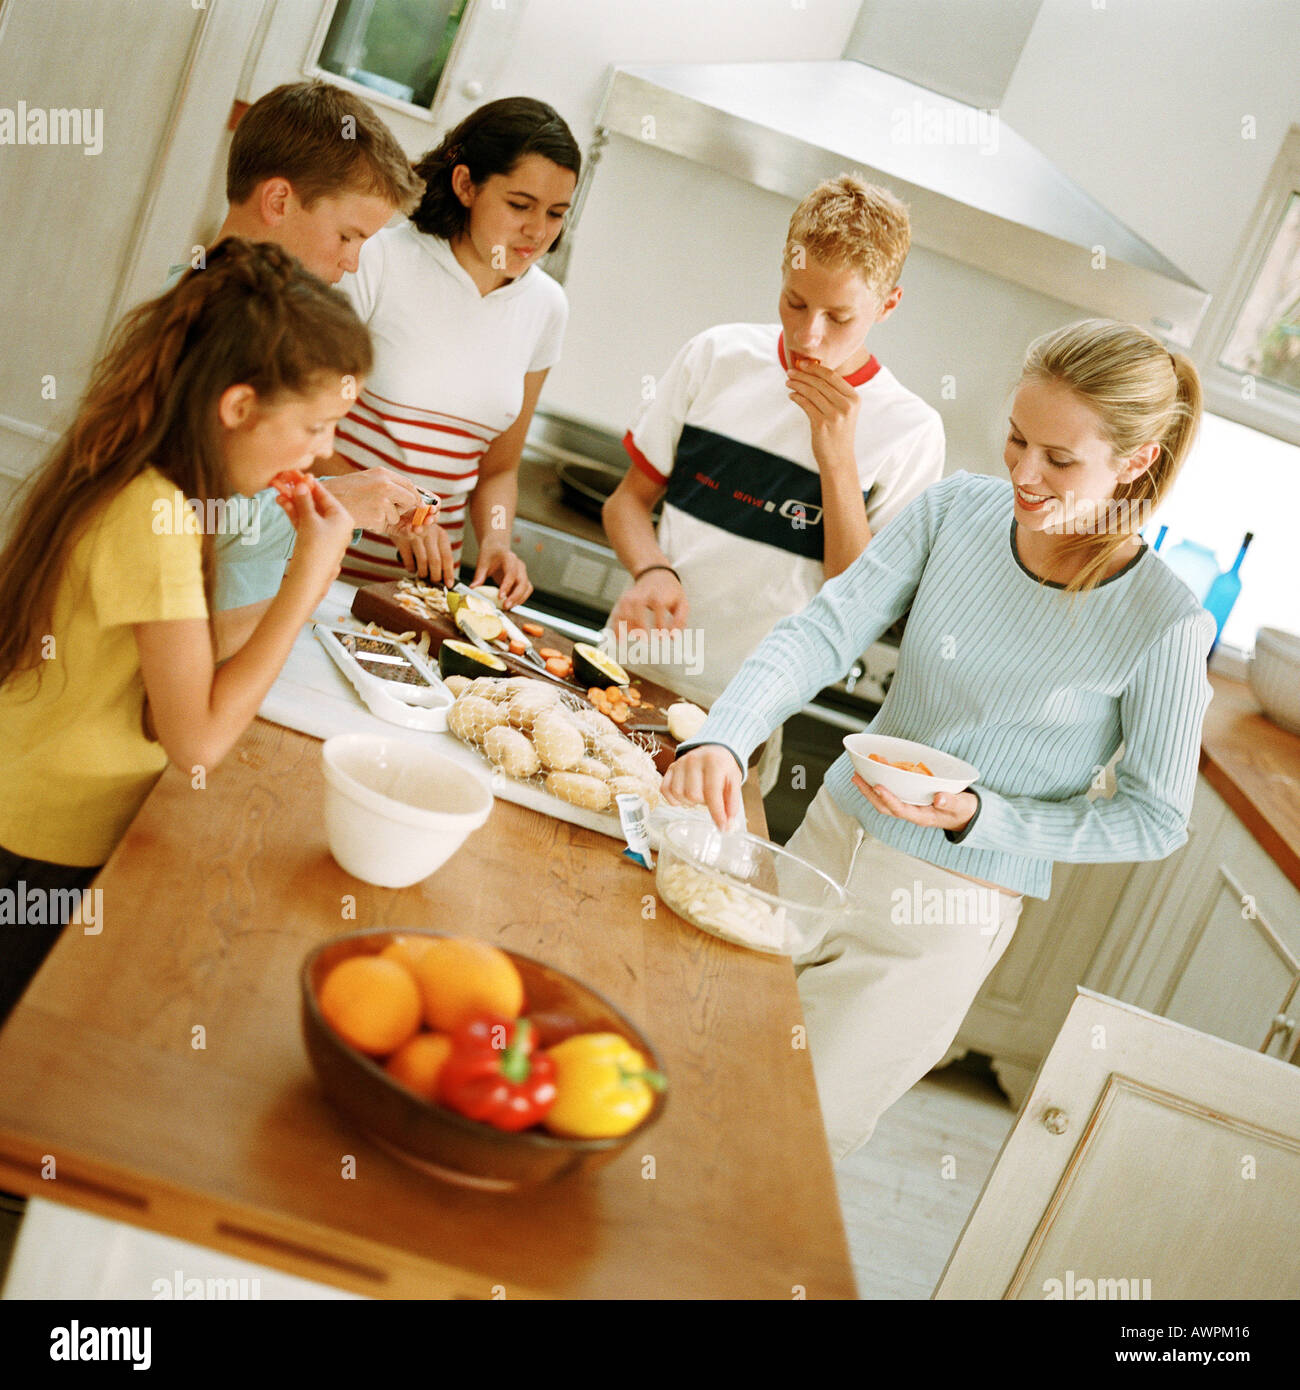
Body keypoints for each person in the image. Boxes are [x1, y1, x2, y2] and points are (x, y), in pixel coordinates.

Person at [662, 318, 1215, 1159]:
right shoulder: (959, 510)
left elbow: (1155, 817)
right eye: (1017, 440)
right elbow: (825, 628)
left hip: (942, 918)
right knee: (703, 1074)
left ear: (1136, 462)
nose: (1025, 473)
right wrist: (725, 738)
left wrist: (978, 817)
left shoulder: (1165, 620)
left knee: (784, 1149)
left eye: (1060, 460)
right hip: (826, 845)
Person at [0, 239, 369, 1027]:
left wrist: (301, 588)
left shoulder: (150, 478)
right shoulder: (158, 516)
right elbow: (196, 742)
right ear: (237, 407)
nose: (325, 451)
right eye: (314, 424)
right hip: (34, 844)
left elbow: (180, 645)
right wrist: (309, 578)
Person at [602, 175, 945, 794]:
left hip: (740, 719)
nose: (808, 335)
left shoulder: (911, 431)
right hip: (628, 671)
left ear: (887, 305)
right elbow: (627, 502)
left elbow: (854, 598)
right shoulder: (715, 357)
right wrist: (652, 569)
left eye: (839, 316)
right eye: (794, 302)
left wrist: (837, 459)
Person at [168, 81, 428, 658]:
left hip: (235, 643)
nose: (352, 261)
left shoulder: (255, 322)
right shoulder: (202, 327)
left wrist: (336, 497)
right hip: (193, 654)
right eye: (348, 235)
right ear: (280, 201)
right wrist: (333, 505)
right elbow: (191, 519)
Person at [320, 96, 580, 607]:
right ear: (466, 185)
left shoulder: (547, 308)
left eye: (556, 213)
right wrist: (398, 516)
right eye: (519, 205)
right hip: (316, 562)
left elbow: (500, 469)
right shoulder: (378, 261)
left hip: (414, 599)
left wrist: (499, 542)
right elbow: (301, 430)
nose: (537, 231)